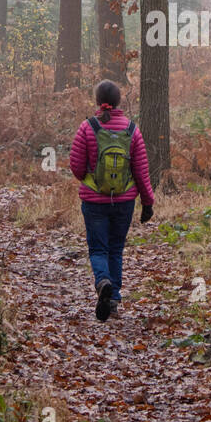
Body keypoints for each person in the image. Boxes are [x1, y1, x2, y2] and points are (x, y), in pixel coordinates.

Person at [69, 80, 155, 321]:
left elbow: (76, 166)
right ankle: (114, 301)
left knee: (98, 248)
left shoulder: (87, 128)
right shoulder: (132, 129)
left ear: (98, 101)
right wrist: (148, 203)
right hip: (124, 201)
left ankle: (102, 281)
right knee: (116, 249)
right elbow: (141, 171)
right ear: (118, 102)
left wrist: (90, 178)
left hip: (94, 201)